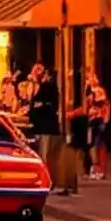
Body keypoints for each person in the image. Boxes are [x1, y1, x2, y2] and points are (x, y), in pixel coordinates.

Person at [26, 64, 70, 196]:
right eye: (34, 70)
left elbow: (50, 104)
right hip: (36, 125)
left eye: (39, 70)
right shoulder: (34, 86)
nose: (36, 73)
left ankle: (48, 181)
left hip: (46, 126)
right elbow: (30, 99)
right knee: (39, 154)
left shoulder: (49, 87)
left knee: (46, 156)